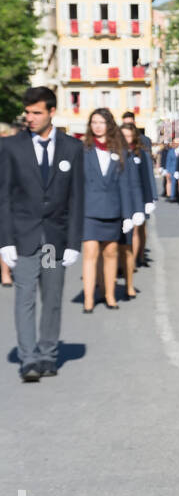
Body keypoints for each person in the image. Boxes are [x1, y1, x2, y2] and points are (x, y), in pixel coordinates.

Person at [0, 87, 85, 381]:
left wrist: (74, 241)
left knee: (51, 298)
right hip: (24, 238)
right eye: (28, 112)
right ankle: (29, 359)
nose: (30, 117)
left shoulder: (72, 148)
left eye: (37, 112)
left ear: (51, 112)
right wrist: (5, 241)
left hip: (54, 240)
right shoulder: (11, 147)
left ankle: (48, 354)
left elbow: (77, 197)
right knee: (24, 299)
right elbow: (4, 197)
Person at [80, 108, 143, 312]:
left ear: (109, 125)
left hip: (113, 210)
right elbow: (77, 184)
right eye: (94, 122)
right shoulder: (84, 150)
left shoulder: (120, 151)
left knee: (110, 253)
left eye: (101, 122)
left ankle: (109, 294)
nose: (97, 126)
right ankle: (89, 298)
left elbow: (127, 184)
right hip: (89, 210)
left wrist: (130, 214)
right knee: (90, 253)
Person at [119, 122, 156, 295]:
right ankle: (122, 263)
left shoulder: (140, 152)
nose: (126, 139)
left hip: (138, 197)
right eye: (123, 136)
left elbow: (147, 176)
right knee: (120, 236)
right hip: (120, 198)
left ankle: (132, 261)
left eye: (129, 136)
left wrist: (150, 199)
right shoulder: (116, 153)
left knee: (135, 231)